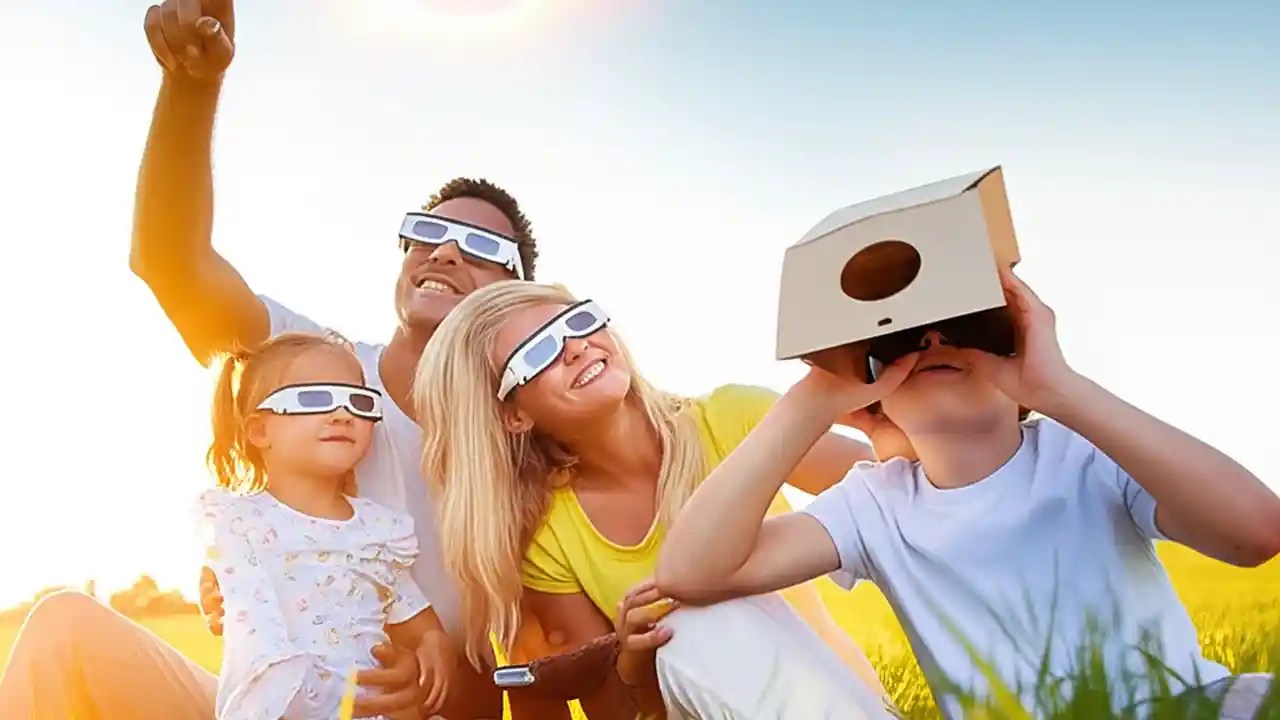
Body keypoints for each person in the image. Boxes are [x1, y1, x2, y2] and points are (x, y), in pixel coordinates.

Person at [0, 0, 533, 717]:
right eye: (427, 232)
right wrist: (193, 86)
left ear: (516, 296)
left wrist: (438, 683)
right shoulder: (322, 370)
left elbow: (515, 672)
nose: (444, 251)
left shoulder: (527, 438)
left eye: (482, 248)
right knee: (65, 626)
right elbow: (171, 262)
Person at [656, 266, 1280, 718]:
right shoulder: (876, 504)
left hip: (1182, 709)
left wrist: (1061, 390)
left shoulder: (1085, 455)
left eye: (966, 327)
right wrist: (809, 404)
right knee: (698, 628)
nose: (931, 343)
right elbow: (693, 574)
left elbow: (1256, 532)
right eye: (897, 341)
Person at [413, 280, 903, 719]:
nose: (576, 347)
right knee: (693, 626)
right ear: (512, 417)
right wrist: (632, 656)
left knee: (709, 613)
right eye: (538, 352)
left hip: (837, 701)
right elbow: (613, 713)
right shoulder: (550, 535)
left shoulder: (731, 419)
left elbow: (911, 497)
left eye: (578, 321)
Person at [196, 332, 453, 719]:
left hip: (368, 711)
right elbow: (224, 595)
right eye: (313, 399)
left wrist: (433, 643)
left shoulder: (377, 531)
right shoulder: (237, 521)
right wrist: (215, 595)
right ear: (259, 431)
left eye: (358, 401)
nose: (341, 414)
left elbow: (416, 620)